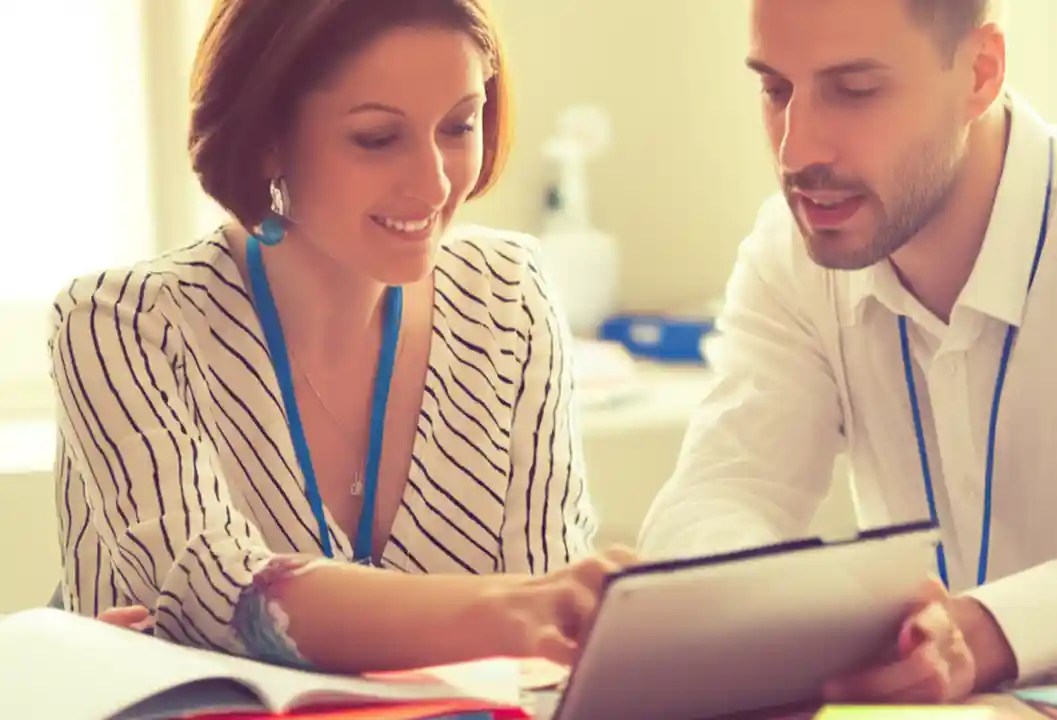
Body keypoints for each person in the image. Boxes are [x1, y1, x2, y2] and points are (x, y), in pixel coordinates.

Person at [639, 0, 1057, 703]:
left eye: (855, 91)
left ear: (980, 72)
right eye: (775, 89)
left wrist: (989, 631)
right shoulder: (789, 259)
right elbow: (718, 493)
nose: (797, 152)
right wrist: (764, 615)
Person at [51, 0, 632, 673]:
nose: (435, 183)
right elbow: (209, 593)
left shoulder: (507, 294)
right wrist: (505, 614)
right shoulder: (121, 324)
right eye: (377, 138)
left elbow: (548, 638)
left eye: (459, 126)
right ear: (267, 139)